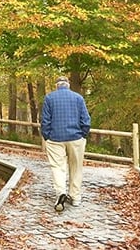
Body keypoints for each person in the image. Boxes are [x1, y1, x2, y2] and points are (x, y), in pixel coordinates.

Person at [41, 76, 91, 212]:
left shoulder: (49, 98)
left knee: (58, 166)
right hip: (75, 138)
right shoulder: (78, 98)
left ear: (57, 85)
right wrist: (83, 134)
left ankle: (61, 192)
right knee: (76, 167)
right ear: (68, 85)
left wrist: (47, 136)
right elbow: (86, 120)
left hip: (55, 138)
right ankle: (75, 197)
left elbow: (45, 121)